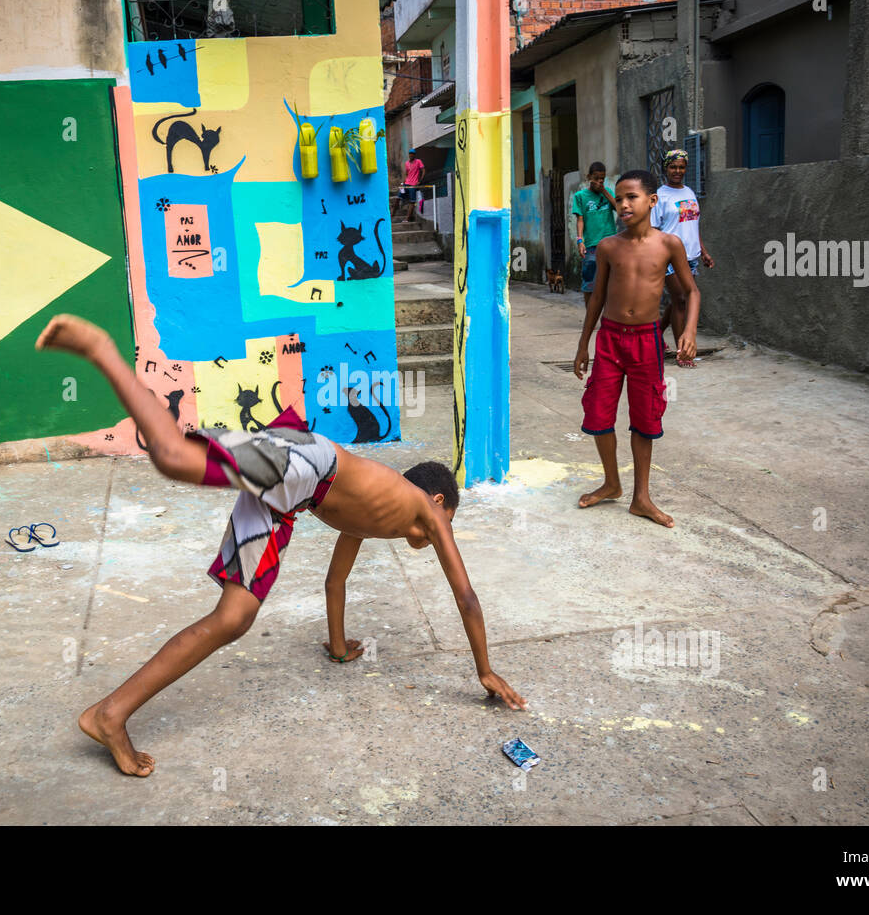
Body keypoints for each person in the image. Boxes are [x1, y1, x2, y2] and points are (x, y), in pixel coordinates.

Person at [35, 313, 527, 777]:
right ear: (438, 501)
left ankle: (109, 713)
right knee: (172, 456)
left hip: (291, 499)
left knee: (233, 619)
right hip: (307, 462)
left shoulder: (375, 517)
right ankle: (101, 348)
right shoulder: (423, 507)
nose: (443, 532)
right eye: (449, 520)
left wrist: (337, 647)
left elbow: (336, 581)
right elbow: (466, 597)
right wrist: (484, 670)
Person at [572, 169, 700, 529]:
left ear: (652, 201)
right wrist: (584, 344)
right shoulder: (610, 247)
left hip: (646, 343)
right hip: (610, 340)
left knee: (645, 418)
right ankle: (611, 482)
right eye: (620, 198)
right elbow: (597, 297)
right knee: (598, 414)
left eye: (632, 197)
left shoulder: (668, 245)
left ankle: (641, 497)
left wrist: (688, 331)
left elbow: (689, 292)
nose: (624, 204)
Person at [651, 149, 713, 368]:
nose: (677, 171)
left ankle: (656, 333)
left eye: (681, 167)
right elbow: (653, 230)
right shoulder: (660, 196)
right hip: (669, 258)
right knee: (681, 300)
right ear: (665, 168)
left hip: (691, 257)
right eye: (673, 167)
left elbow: (692, 225)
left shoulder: (689, 192)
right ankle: (682, 351)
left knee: (680, 300)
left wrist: (703, 251)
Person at [572, 161, 618, 298]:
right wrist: (580, 240)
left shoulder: (608, 192)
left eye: (602, 178)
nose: (599, 181)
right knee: (590, 284)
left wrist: (604, 190)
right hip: (591, 246)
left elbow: (618, 209)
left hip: (610, 244)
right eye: (596, 178)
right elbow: (580, 220)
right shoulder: (580, 196)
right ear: (589, 177)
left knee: (611, 283)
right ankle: (590, 316)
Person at [393, 148, 426, 223]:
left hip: (413, 184)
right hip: (406, 184)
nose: (411, 155)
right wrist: (402, 183)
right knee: (398, 198)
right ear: (409, 155)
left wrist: (420, 181)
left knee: (412, 201)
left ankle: (407, 219)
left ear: (414, 155)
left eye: (412, 154)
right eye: (410, 154)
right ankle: (392, 215)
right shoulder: (406, 163)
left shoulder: (418, 161)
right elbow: (406, 174)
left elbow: (423, 171)